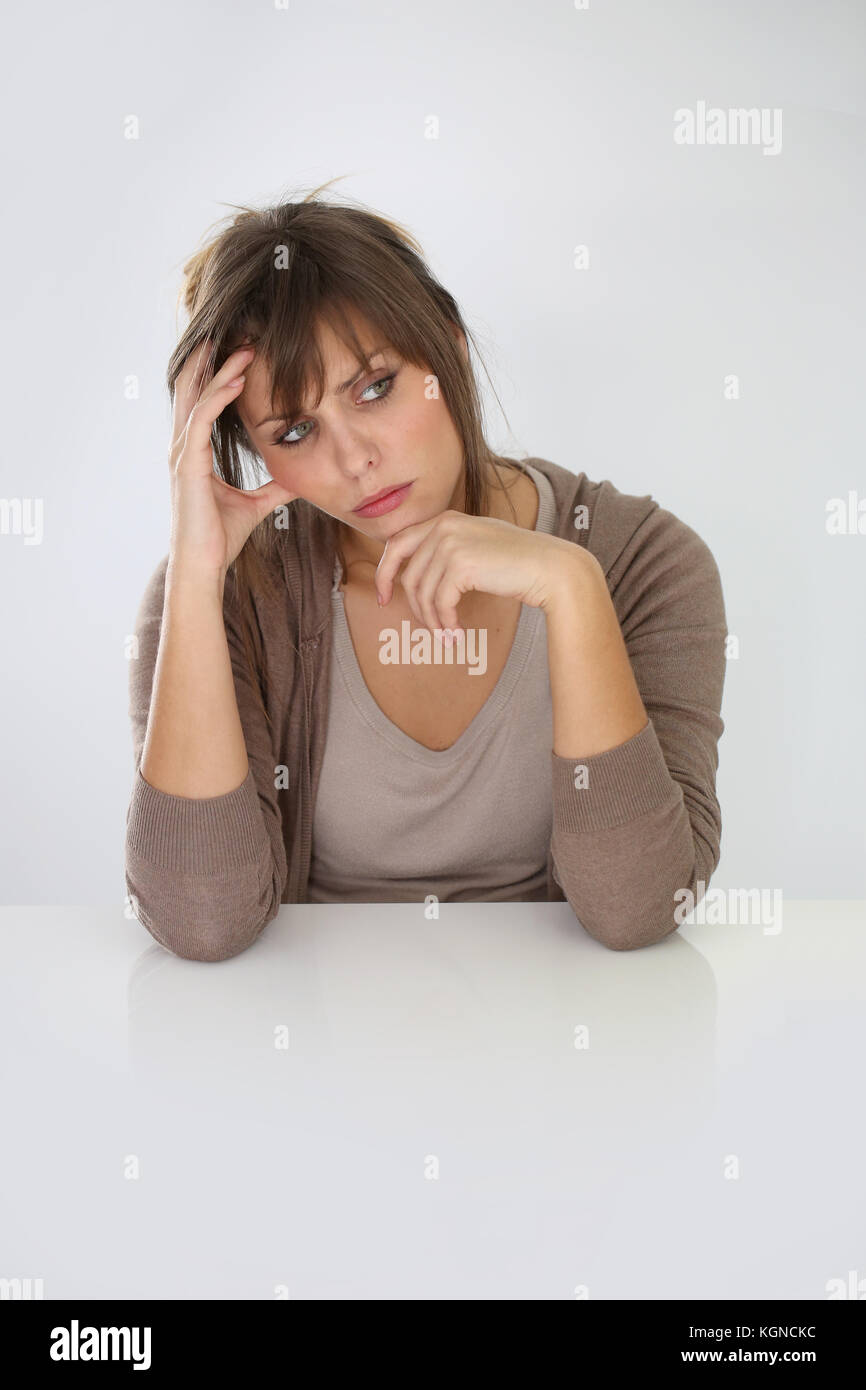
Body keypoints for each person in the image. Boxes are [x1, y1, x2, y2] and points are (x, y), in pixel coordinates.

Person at [125, 188, 727, 961]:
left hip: (566, 1047)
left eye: (375, 388)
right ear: (250, 451)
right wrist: (198, 575)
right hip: (306, 1046)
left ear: (448, 344)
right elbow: (199, 924)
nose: (354, 459)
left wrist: (572, 591)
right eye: (297, 430)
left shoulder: (643, 561)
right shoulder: (227, 596)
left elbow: (639, 908)